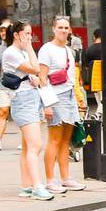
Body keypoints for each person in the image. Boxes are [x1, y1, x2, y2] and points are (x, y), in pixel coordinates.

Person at [2, 20, 54, 200]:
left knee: (27, 147)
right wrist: (30, 48)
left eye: (31, 34)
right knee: (35, 146)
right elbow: (35, 68)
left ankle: (26, 186)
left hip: (30, 98)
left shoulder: (20, 52)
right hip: (23, 101)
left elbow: (35, 74)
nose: (29, 37)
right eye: (26, 33)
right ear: (16, 35)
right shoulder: (11, 52)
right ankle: (37, 186)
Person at [39, 16, 86, 194]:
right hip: (54, 97)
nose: (64, 30)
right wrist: (47, 104)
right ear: (53, 29)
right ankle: (51, 180)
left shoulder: (69, 50)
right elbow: (42, 78)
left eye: (66, 27)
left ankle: (66, 178)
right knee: (54, 139)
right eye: (60, 27)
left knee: (66, 141)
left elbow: (71, 78)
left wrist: (77, 98)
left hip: (69, 97)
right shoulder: (46, 49)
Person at [0, 19, 13, 147]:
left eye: (6, 29)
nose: (3, 32)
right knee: (2, 111)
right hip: (3, 85)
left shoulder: (21, 47)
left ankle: (26, 140)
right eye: (1, 30)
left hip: (21, 86)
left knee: (20, 114)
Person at [82, 28, 104, 114]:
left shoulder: (89, 49)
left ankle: (100, 114)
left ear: (94, 37)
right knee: (104, 98)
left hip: (93, 76)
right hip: (105, 76)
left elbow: (86, 65)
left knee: (98, 97)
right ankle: (98, 113)